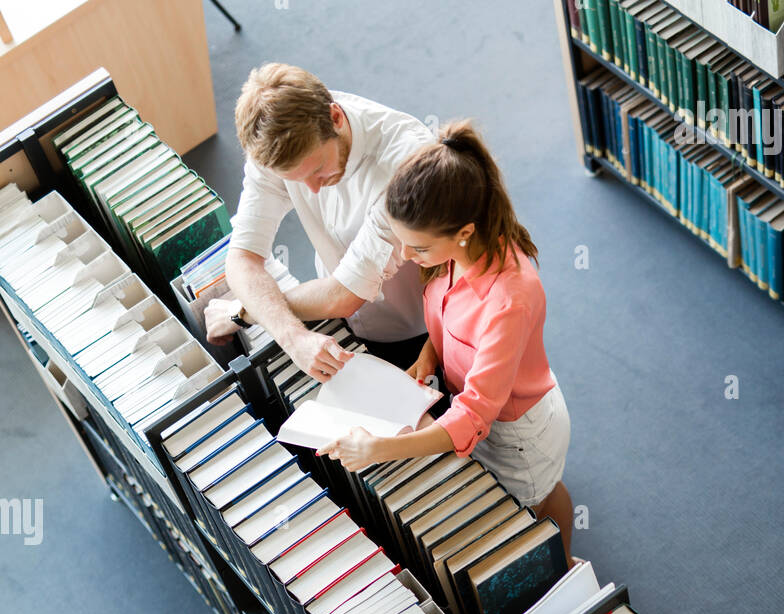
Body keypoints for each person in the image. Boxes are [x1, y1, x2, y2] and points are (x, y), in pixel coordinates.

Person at [319, 121, 576, 559]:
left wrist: (382, 449)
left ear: (463, 232)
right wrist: (428, 355)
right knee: (505, 505)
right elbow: (450, 319)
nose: (404, 256)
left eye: (416, 248)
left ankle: (563, 565)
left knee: (540, 500)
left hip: (518, 433)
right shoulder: (452, 254)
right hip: (483, 409)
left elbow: (475, 414)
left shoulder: (511, 298)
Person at [204, 64, 433, 382]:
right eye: (294, 180)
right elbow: (243, 257)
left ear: (335, 118)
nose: (312, 189)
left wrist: (246, 311)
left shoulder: (405, 165)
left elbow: (345, 296)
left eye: (318, 170)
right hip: (337, 314)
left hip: (421, 331)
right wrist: (292, 337)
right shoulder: (272, 144)